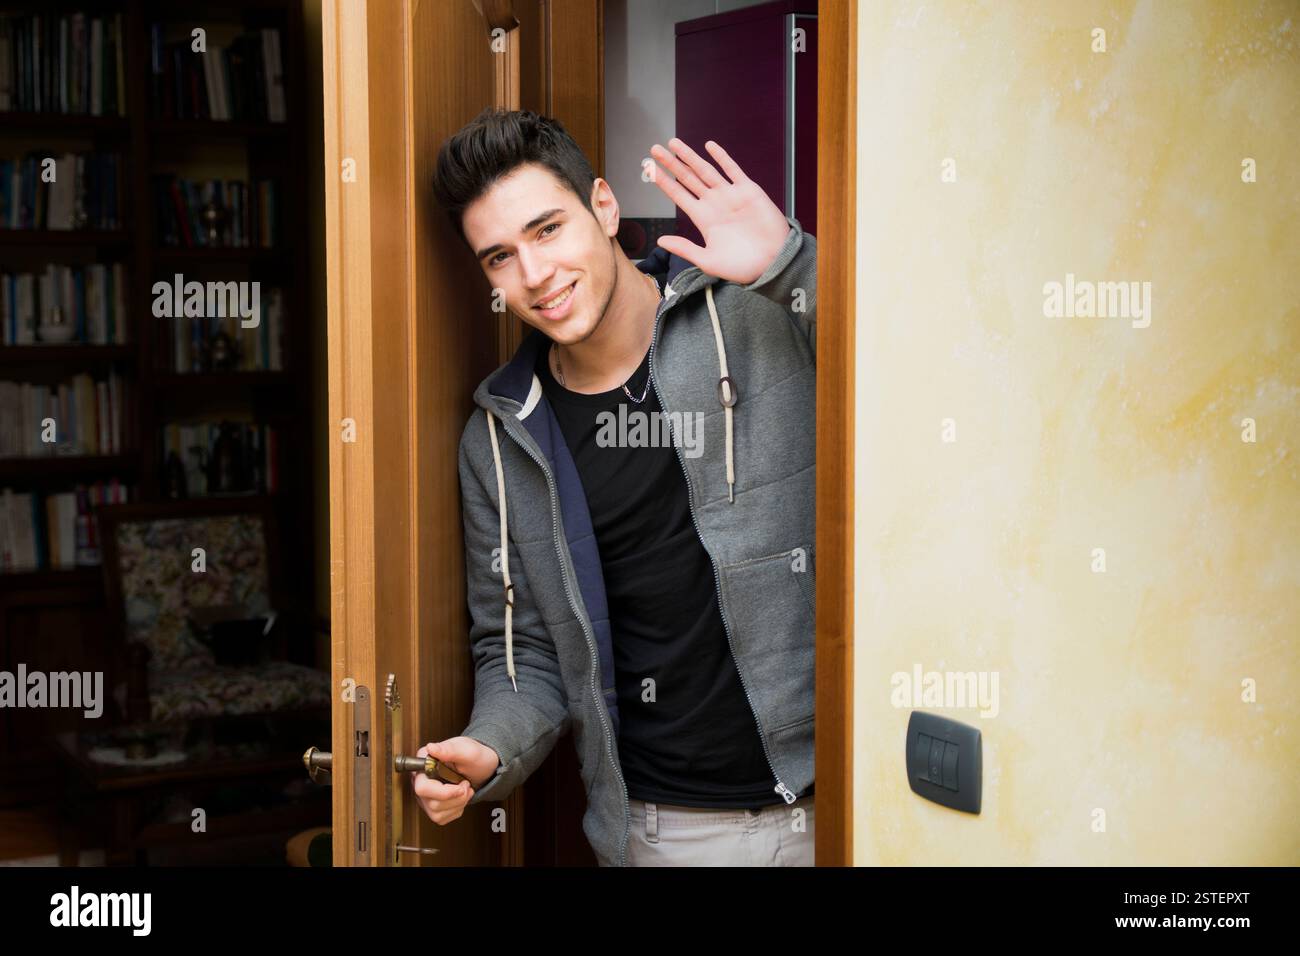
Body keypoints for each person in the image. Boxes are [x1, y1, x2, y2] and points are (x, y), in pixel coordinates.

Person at [414, 108, 816, 866]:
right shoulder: (501, 438)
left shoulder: (754, 316)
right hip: (667, 832)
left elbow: (907, 373)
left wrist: (792, 269)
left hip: (845, 795)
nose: (535, 275)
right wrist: (489, 747)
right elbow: (523, 652)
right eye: (499, 257)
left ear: (603, 206)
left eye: (547, 230)